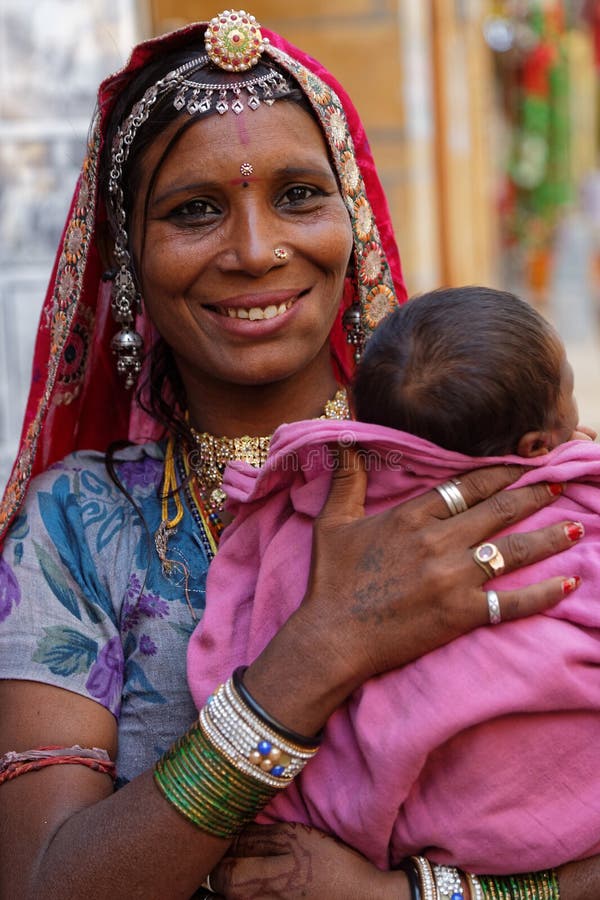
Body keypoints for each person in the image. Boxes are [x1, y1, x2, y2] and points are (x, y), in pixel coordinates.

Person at [0, 10, 596, 900]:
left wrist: (415, 897)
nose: (255, 250)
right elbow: (46, 882)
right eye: (195, 210)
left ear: (351, 215)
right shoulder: (79, 529)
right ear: (129, 259)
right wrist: (316, 655)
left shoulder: (487, 459)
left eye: (298, 196)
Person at [187, 283, 600, 878]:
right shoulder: (567, 495)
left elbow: (250, 609)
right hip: (526, 815)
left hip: (345, 816)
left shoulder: (318, 495)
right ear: (534, 445)